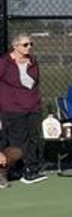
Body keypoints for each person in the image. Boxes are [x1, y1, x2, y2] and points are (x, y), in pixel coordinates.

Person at [0, 33, 45, 184]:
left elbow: (34, 83)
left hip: (33, 107)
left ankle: (30, 170)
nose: (29, 47)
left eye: (31, 44)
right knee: (18, 141)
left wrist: (36, 101)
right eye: (25, 44)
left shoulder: (32, 61)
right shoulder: (4, 62)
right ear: (15, 46)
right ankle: (10, 171)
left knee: (33, 138)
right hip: (12, 109)